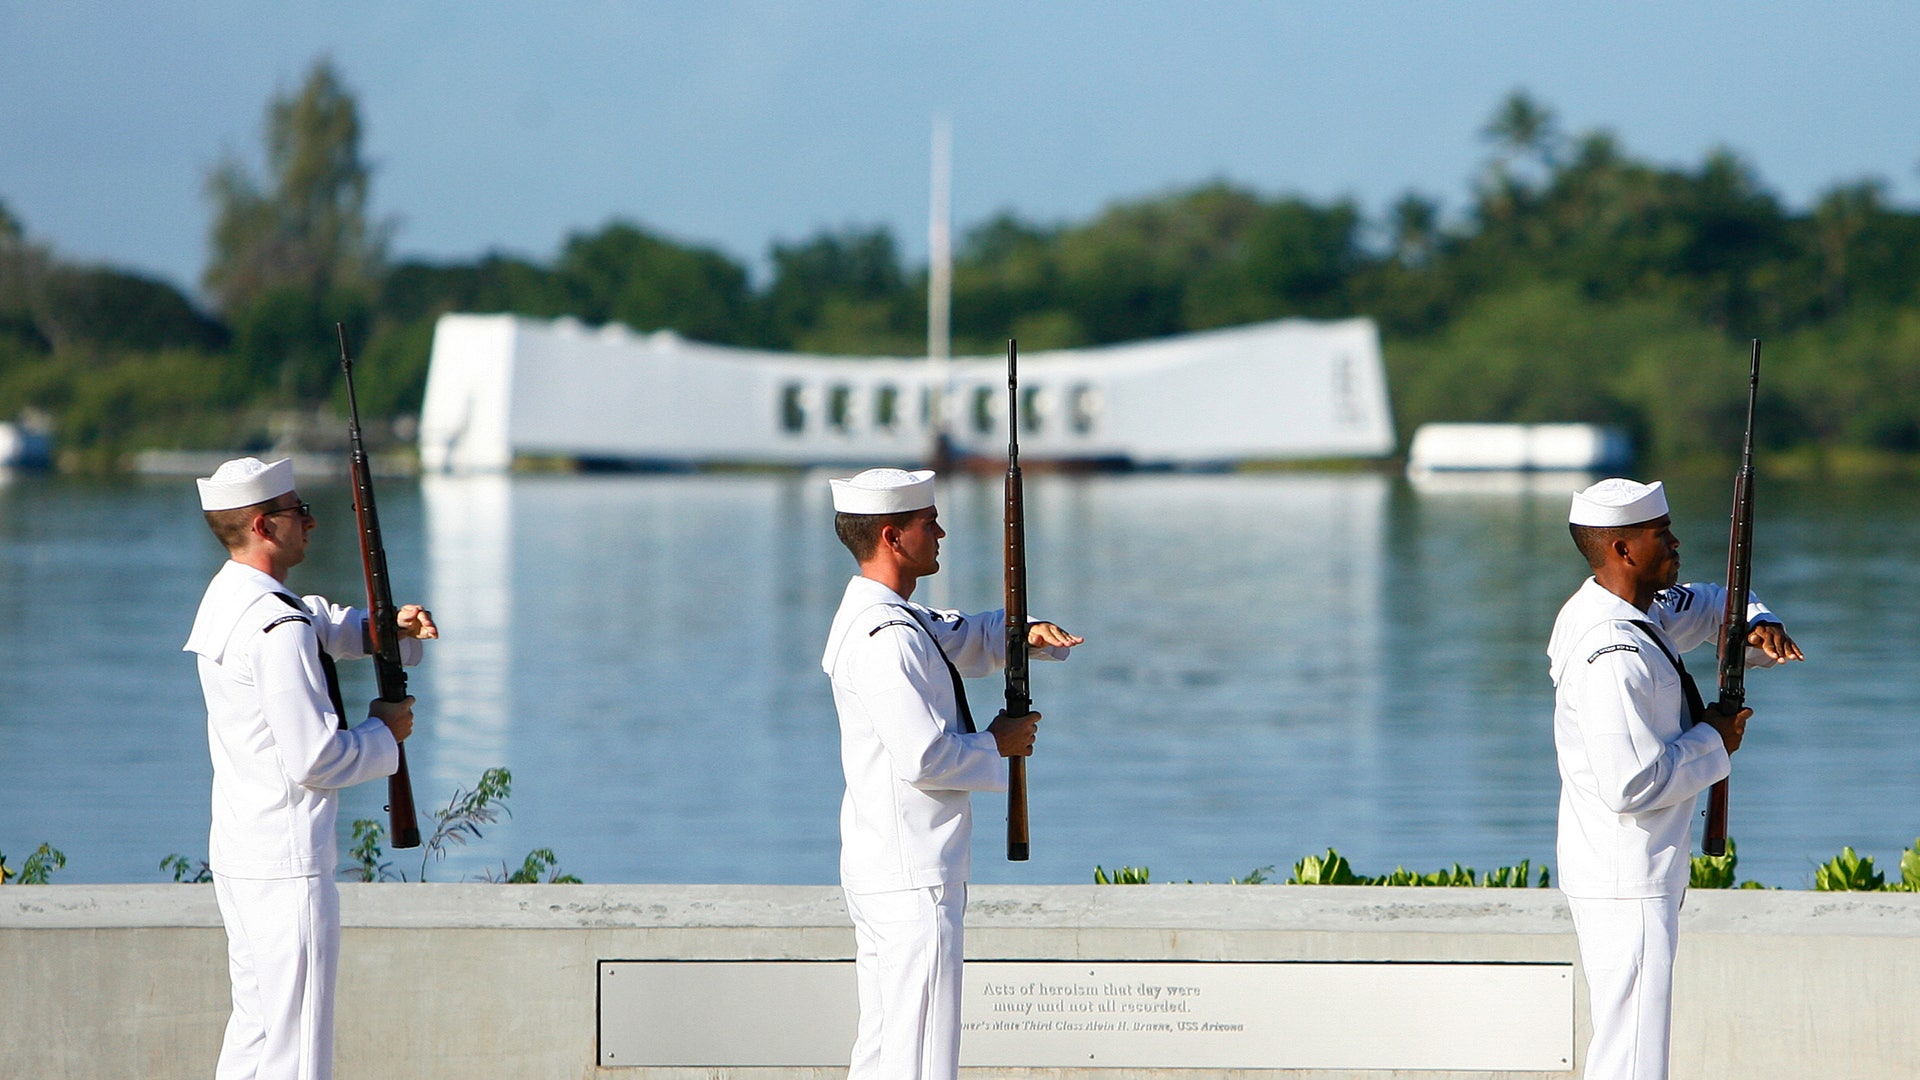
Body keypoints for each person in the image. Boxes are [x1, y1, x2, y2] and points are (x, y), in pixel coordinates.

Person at [821, 467, 1083, 1080]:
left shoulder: (891, 618)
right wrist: (1000, 743)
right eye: (926, 522)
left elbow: (961, 634)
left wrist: (1023, 634)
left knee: (888, 1047)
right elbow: (927, 757)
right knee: (919, 1057)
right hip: (913, 873)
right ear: (892, 536)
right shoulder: (886, 637)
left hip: (894, 864)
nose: (940, 531)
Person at [183, 456, 438, 1080]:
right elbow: (316, 758)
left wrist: (384, 628)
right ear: (265, 526)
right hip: (288, 860)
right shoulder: (277, 628)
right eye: (299, 512)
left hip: (246, 850)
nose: (312, 522)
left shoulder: (232, 597)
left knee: (257, 1032)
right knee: (297, 1053)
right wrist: (386, 733)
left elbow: (317, 621)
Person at [1547, 477, 1803, 1080]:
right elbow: (1630, 785)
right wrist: (1717, 738)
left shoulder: (1638, 610)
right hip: (1626, 875)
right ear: (1624, 550)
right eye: (1661, 535)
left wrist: (1755, 619)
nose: (1676, 543)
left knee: (1630, 1042)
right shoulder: (1611, 652)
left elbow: (1715, 602)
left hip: (1633, 870)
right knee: (1632, 1053)